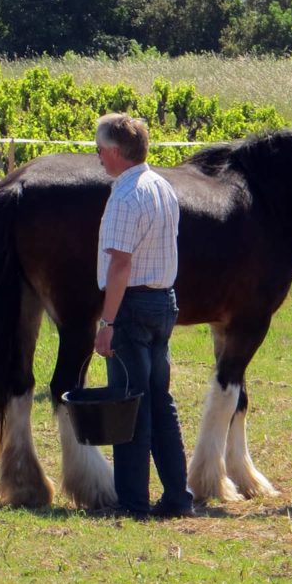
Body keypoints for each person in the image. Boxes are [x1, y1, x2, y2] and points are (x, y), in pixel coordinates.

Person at [92, 113, 193, 519]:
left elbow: (119, 266)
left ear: (116, 152)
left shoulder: (125, 197)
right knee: (159, 400)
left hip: (132, 309)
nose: (98, 156)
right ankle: (176, 496)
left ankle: (132, 502)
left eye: (100, 150)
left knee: (129, 404)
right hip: (163, 303)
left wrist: (106, 323)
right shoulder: (162, 187)